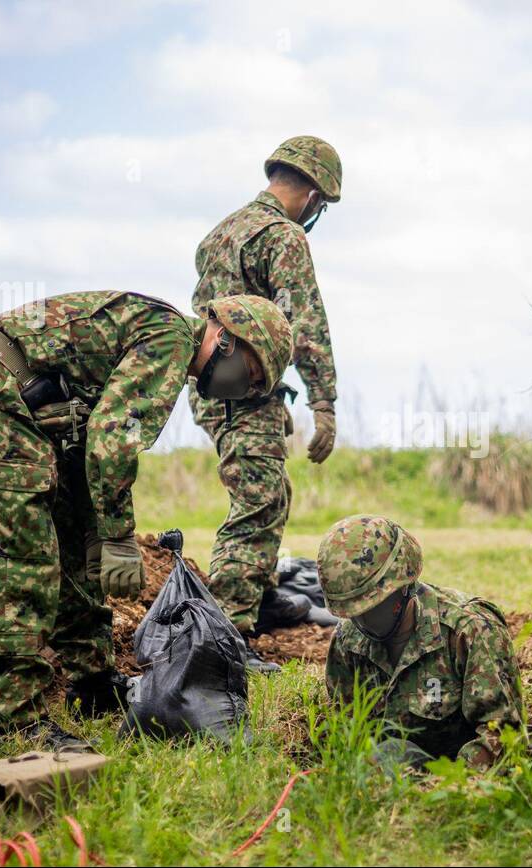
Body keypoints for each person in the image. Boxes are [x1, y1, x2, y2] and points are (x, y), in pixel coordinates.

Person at [0, 292, 291, 748]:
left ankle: (93, 687)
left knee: (78, 545)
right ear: (226, 338)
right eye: (250, 374)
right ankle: (15, 722)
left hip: (44, 416)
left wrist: (99, 532)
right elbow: (113, 441)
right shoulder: (169, 339)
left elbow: (99, 439)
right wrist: (119, 537)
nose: (243, 390)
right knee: (21, 561)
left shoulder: (166, 341)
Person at [188, 136, 342, 642]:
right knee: (257, 501)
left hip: (214, 385)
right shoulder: (284, 237)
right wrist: (324, 401)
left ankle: (260, 592)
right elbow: (304, 323)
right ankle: (228, 632)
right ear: (315, 197)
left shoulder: (220, 233)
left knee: (268, 492)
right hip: (242, 388)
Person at [317, 514, 525, 770]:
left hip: (460, 782)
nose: (363, 621)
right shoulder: (348, 641)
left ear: (403, 586)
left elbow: (503, 735)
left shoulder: (469, 630)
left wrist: (441, 789)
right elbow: (347, 734)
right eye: (352, 611)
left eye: (373, 606)